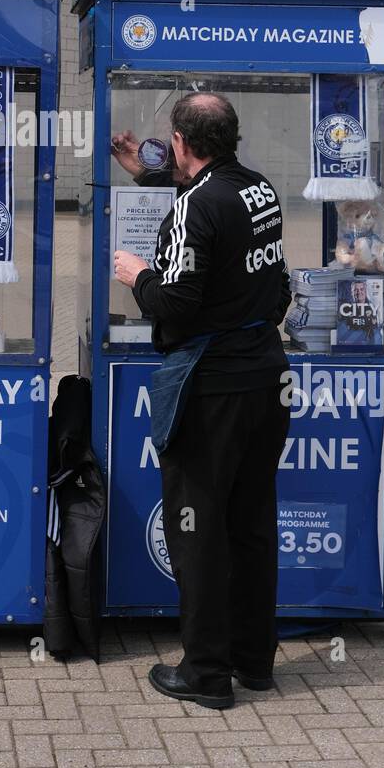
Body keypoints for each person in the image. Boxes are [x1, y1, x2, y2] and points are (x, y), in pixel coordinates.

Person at [111, 92, 291, 710]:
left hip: (212, 389)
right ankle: (252, 661)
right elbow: (258, 261)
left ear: (184, 143)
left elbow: (174, 306)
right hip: (266, 379)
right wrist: (147, 172)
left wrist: (137, 274)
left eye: (172, 142)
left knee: (197, 530)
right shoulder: (257, 188)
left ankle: (206, 674)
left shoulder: (195, 206)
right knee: (249, 524)